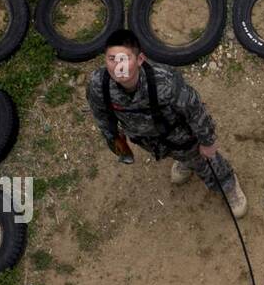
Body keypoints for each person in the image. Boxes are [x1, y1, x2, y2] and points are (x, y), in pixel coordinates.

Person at [85, 28, 247, 216]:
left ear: (139, 60)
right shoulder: (99, 84)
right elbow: (101, 114)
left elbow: (195, 110)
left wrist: (207, 142)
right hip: (148, 141)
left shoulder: (165, 82)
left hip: (181, 139)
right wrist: (114, 138)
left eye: (125, 58)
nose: (118, 66)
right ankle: (184, 162)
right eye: (112, 59)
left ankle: (228, 185)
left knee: (204, 162)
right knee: (180, 157)